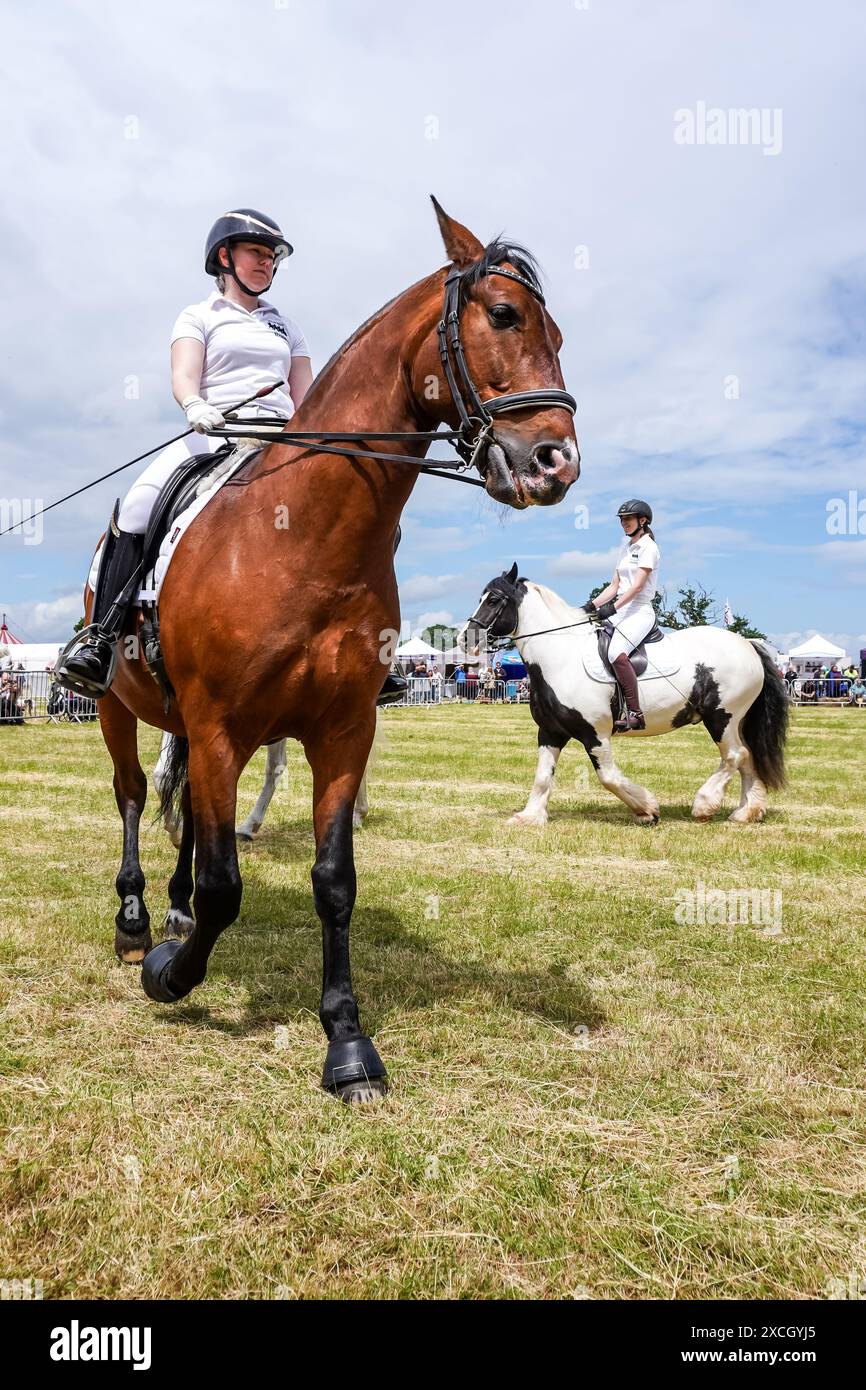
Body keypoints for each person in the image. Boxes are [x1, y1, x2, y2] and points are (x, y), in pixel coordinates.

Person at [56, 209, 312, 698]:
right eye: (257, 253)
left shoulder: (287, 326)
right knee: (135, 508)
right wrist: (195, 404)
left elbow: (306, 394)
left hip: (281, 440)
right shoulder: (198, 316)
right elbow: (183, 377)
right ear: (225, 256)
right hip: (214, 431)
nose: (267, 263)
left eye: (272, 256)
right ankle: (102, 640)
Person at [582, 500, 660, 731]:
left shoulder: (649, 548)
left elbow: (636, 587)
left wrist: (612, 608)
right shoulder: (625, 547)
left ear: (642, 521)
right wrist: (591, 605)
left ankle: (636, 713)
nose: (624, 523)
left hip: (639, 610)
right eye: (622, 519)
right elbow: (614, 586)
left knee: (616, 652)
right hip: (622, 609)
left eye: (628, 519)